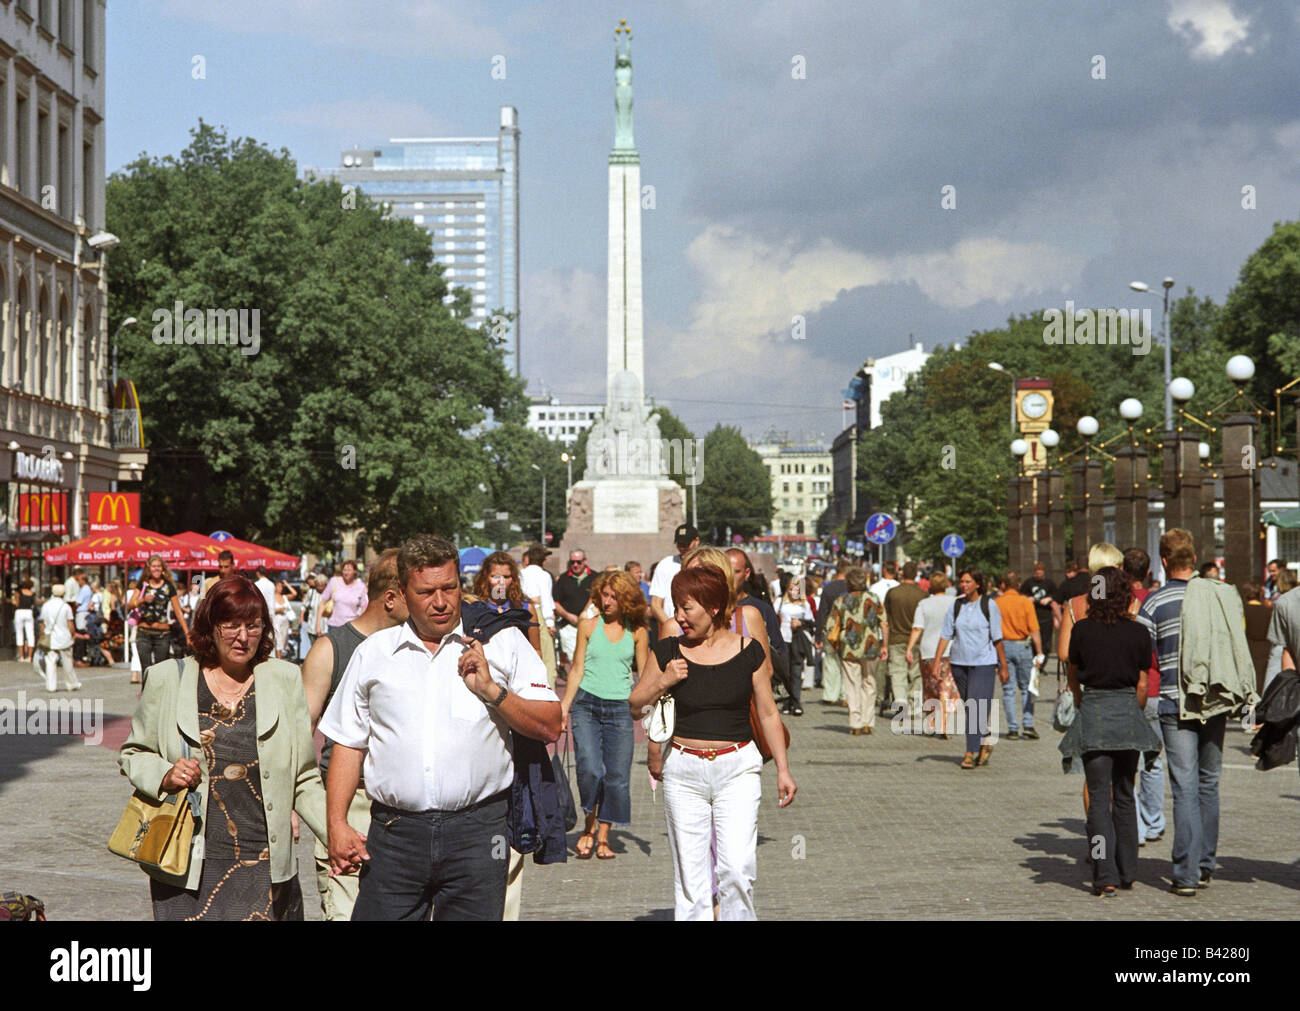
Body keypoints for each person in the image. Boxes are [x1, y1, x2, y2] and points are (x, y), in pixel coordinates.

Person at [320, 535, 561, 921]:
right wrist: (337, 823)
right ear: (400, 593)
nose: (441, 601)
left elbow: (551, 725)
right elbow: (348, 744)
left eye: (449, 588)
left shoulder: (501, 642)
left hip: (478, 833)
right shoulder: (374, 653)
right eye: (426, 591)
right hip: (395, 835)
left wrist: (492, 691)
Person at [118, 576, 326, 920]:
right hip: (188, 861)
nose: (243, 637)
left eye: (253, 626)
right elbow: (133, 752)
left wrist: (336, 834)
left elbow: (303, 776)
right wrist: (165, 774)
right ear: (210, 626)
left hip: (264, 859)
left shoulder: (284, 679)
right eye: (231, 625)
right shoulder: (169, 677)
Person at [628, 564, 795, 920]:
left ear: (714, 607)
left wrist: (783, 769)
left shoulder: (748, 650)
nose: (679, 617)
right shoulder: (668, 651)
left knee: (736, 868)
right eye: (676, 607)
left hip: (737, 768)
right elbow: (635, 705)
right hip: (683, 770)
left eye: (687, 608)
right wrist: (663, 682)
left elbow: (767, 714)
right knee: (692, 877)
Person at [1137, 529, 1256, 896]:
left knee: (1184, 787)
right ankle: (1205, 865)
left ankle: (1185, 873)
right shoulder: (1219, 596)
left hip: (1175, 701)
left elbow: (1142, 657)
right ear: (1193, 557)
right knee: (1209, 783)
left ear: (1165, 560)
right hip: (1215, 700)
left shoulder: (1155, 604)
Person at [301, 549, 406, 922]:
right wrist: (297, 808)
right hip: (349, 802)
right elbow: (299, 738)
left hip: (405, 810)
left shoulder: (417, 648)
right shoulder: (331, 648)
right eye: (418, 592)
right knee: (344, 913)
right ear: (392, 597)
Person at [1060, 566, 1163, 896]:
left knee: (1098, 798)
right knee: (1124, 796)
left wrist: (1081, 702)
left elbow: (1073, 676)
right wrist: (1133, 710)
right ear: (1125, 595)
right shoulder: (1137, 633)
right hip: (1127, 712)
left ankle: (1104, 872)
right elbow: (1143, 682)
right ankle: (1127, 869)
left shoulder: (1083, 630)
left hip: (1095, 710)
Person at [559, 570, 648, 861]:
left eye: (615, 597)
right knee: (589, 768)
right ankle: (588, 822)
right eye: (604, 595)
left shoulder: (638, 632)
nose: (607, 602)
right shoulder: (587, 626)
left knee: (617, 776)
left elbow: (644, 677)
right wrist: (563, 709)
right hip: (586, 704)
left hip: (620, 707)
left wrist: (647, 711)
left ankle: (603, 835)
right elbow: (576, 670)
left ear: (627, 600)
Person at [933, 568, 1009, 769]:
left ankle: (969, 752)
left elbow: (997, 638)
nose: (963, 585)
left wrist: (1003, 666)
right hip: (959, 663)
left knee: (976, 707)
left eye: (968, 582)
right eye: (962, 582)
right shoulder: (956, 605)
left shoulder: (989, 605)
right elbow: (946, 634)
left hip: (984, 663)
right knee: (971, 707)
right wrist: (937, 661)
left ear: (977, 584)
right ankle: (984, 739)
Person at [1124, 547, 1165, 848]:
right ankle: (1154, 821)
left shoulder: (1119, 603)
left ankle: (1134, 825)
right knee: (1153, 759)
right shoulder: (1158, 601)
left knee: (1127, 761)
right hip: (1157, 687)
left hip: (1127, 688)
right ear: (1148, 573)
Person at [824, 566, 886, 736]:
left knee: (852, 685)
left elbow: (830, 625)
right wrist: (885, 645)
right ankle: (868, 722)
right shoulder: (874, 598)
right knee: (870, 683)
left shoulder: (841, 600)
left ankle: (855, 723)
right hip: (871, 646)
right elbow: (884, 623)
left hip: (848, 649)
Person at [907, 571, 958, 737]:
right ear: (946, 585)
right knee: (946, 686)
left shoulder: (924, 604)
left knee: (930, 687)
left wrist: (909, 648)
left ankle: (931, 722)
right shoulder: (955, 603)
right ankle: (943, 723)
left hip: (928, 650)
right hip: (951, 650)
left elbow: (917, 628)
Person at [995, 571, 1043, 740]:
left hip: (1003, 646)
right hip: (1024, 646)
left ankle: (1012, 728)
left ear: (1002, 585)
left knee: (1008, 689)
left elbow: (992, 631)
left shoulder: (997, 603)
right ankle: (1028, 724)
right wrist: (1040, 652)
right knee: (1026, 688)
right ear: (1018, 585)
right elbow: (1034, 629)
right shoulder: (1026, 603)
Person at [128, 554, 189, 682]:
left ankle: (159, 700)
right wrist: (142, 600)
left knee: (161, 669)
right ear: (149, 568)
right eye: (153, 566)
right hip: (144, 633)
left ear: (163, 568)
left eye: (158, 566)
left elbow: (178, 612)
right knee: (146, 670)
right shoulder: (142, 585)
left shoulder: (169, 587)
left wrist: (187, 633)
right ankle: (147, 699)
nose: (156, 569)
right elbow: (129, 605)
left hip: (162, 634)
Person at [473, 551, 542, 654]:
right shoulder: (475, 608)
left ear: (513, 579)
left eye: (506, 577)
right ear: (486, 577)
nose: (501, 582)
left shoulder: (526, 608)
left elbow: (536, 649)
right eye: (495, 576)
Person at [883, 562, 927, 718]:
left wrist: (884, 643)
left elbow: (886, 620)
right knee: (916, 675)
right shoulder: (922, 594)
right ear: (916, 574)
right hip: (917, 640)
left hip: (896, 639)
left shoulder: (893, 593)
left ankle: (901, 706)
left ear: (902, 574)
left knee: (897, 674)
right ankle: (915, 707)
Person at [649, 524, 699, 643]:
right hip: (672, 632)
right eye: (679, 544)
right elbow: (656, 605)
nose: (682, 548)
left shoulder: (705, 563)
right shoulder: (665, 564)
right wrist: (672, 626)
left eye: (686, 544)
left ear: (696, 541)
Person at [520, 544, 558, 689]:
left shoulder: (521, 574)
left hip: (523, 614)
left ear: (528, 559)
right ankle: (549, 689)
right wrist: (550, 623)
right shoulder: (544, 575)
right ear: (543, 561)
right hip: (539, 614)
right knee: (547, 658)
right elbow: (546, 600)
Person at [815, 558, 849, 706]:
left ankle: (830, 695)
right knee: (846, 663)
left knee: (830, 661)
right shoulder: (853, 588)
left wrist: (818, 634)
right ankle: (845, 695)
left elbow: (822, 612)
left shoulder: (829, 588)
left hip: (831, 630)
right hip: (848, 629)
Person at [777, 574, 814, 708]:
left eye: (796, 589)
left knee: (797, 671)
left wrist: (801, 622)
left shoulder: (805, 605)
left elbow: (811, 623)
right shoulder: (780, 602)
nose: (792, 591)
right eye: (790, 588)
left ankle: (796, 702)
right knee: (785, 672)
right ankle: (787, 701)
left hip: (798, 640)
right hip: (784, 639)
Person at [554, 547, 594, 667]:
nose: (575, 565)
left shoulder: (596, 577)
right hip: (569, 627)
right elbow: (555, 602)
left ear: (585, 561)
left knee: (590, 661)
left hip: (591, 626)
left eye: (579, 562)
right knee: (574, 662)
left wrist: (585, 615)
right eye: (572, 562)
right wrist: (568, 616)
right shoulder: (563, 579)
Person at [38, 584, 78, 692]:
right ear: (63, 593)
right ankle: (71, 684)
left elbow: (42, 623)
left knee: (50, 661)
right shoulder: (65, 606)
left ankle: (51, 686)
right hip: (64, 637)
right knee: (67, 661)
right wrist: (73, 635)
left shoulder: (46, 605)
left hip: (50, 637)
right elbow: (70, 624)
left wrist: (41, 636)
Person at [317, 559, 368, 634]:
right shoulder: (334, 581)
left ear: (355, 571)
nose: (346, 573)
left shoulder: (361, 586)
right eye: (344, 570)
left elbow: (364, 607)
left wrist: (362, 625)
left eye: (349, 570)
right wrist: (318, 624)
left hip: (352, 627)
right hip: (334, 626)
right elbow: (322, 603)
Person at [1019, 560, 1057, 656]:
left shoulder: (1049, 583)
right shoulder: (1028, 582)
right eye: (1037, 573)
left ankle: (1042, 663)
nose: (1038, 575)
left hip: (1046, 617)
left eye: (1040, 573)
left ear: (1044, 572)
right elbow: (1020, 595)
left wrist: (1049, 598)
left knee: (1045, 642)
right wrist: (1028, 598)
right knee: (1032, 642)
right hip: (1033, 616)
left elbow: (1057, 596)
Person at [11, 576, 35, 662]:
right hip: (29, 612)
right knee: (30, 634)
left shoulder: (18, 593)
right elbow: (34, 603)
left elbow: (17, 603)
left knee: (19, 633)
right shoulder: (32, 593)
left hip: (19, 612)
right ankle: (29, 656)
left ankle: (21, 656)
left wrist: (12, 601)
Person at [272, 579, 298, 658]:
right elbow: (270, 610)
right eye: (278, 586)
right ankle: (279, 659)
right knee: (278, 639)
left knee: (284, 640)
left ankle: (279, 657)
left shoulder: (284, 597)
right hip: (277, 620)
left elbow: (295, 593)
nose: (280, 588)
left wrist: (286, 583)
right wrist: (279, 610)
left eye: (281, 586)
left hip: (285, 620)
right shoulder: (272, 597)